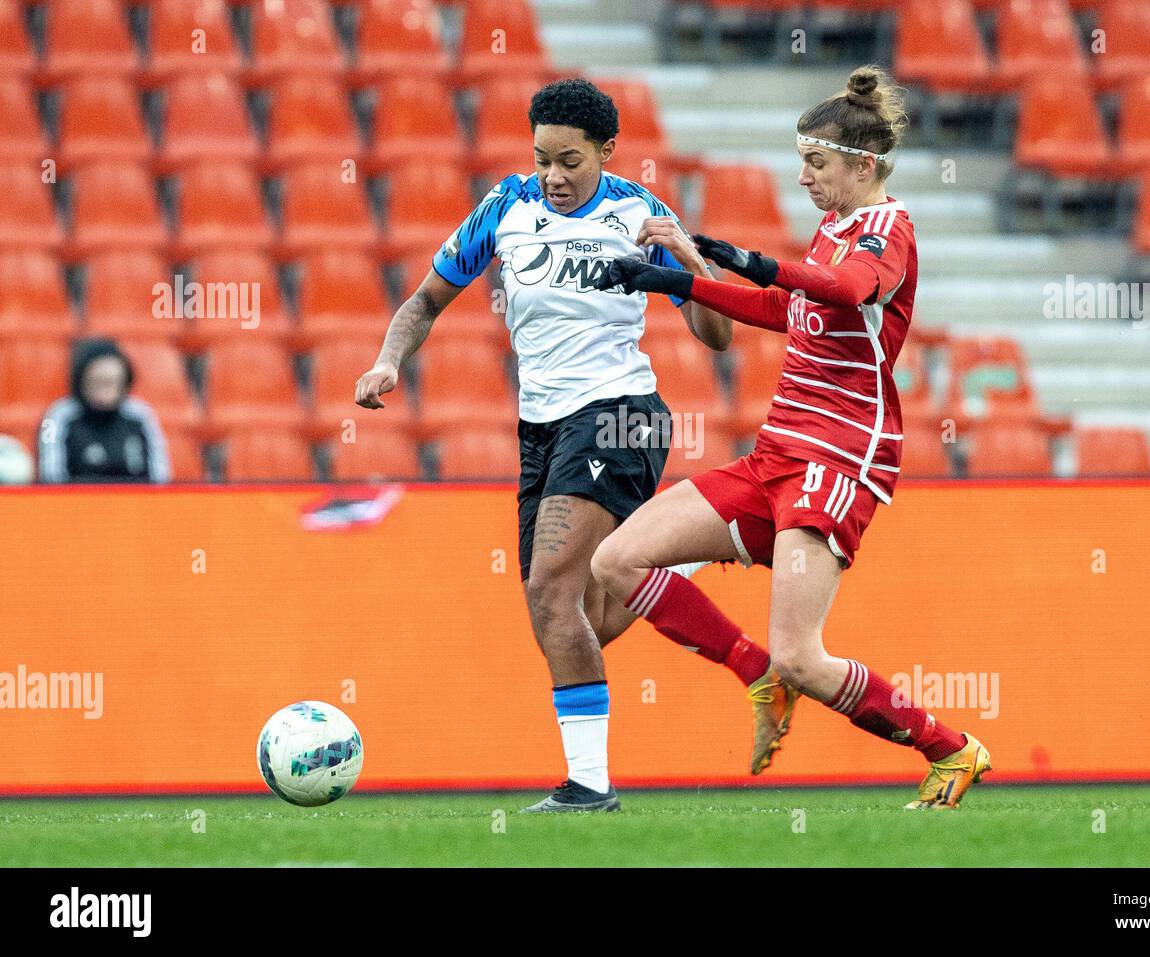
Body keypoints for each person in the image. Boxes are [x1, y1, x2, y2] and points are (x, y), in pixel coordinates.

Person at [355, 78, 793, 812]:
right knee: (571, 616)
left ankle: (588, 787)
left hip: (620, 415)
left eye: (569, 160)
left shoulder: (638, 212)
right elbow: (425, 299)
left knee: (548, 589)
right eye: (541, 158)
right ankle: (679, 552)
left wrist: (687, 255)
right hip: (543, 429)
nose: (553, 176)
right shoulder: (507, 206)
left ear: (607, 152)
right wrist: (387, 359)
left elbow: (718, 338)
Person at [591, 65, 993, 810]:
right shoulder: (836, 226)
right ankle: (754, 670)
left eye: (816, 162)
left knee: (805, 656)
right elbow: (786, 307)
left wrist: (743, 257)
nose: (803, 176)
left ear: (862, 165)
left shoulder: (888, 229)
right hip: (777, 452)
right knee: (618, 559)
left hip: (840, 454)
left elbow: (843, 289)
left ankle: (951, 747)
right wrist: (675, 280)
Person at [39, 337, 170, 484]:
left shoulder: (141, 416)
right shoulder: (57, 416)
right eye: (97, 382)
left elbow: (160, 477)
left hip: (135, 504)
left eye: (112, 383)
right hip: (78, 503)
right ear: (82, 381)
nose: (105, 392)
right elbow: (50, 476)